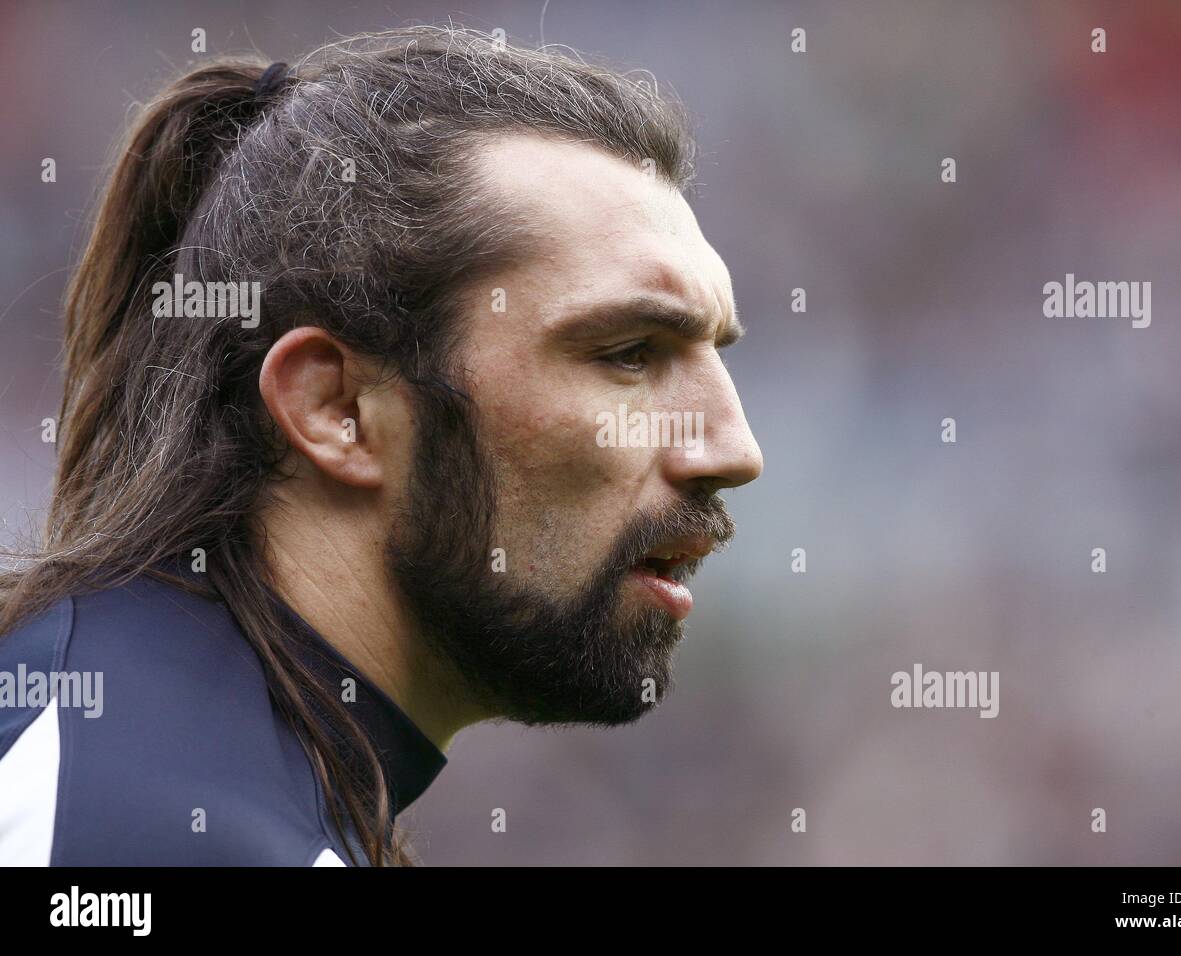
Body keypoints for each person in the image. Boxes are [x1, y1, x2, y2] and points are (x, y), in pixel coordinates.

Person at [0, 26, 762, 866]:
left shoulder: (178, 763)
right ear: (338, 409)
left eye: (715, 354)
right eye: (629, 354)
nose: (733, 448)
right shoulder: (120, 814)